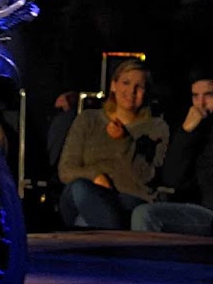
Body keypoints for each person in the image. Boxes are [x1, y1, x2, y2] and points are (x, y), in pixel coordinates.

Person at [56, 60, 169, 229]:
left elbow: (145, 178)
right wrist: (95, 175)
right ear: (114, 86)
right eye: (126, 83)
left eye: (139, 86)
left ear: (146, 92)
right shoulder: (89, 120)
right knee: (79, 188)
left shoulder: (156, 128)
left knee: (84, 221)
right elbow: (66, 170)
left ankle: (112, 242)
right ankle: (115, 239)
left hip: (128, 199)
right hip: (89, 193)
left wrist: (124, 141)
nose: (131, 91)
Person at [130, 70, 213, 235]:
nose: (201, 103)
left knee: (146, 215)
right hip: (199, 209)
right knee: (141, 212)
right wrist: (186, 132)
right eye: (195, 96)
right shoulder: (197, 130)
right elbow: (173, 179)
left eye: (209, 95)